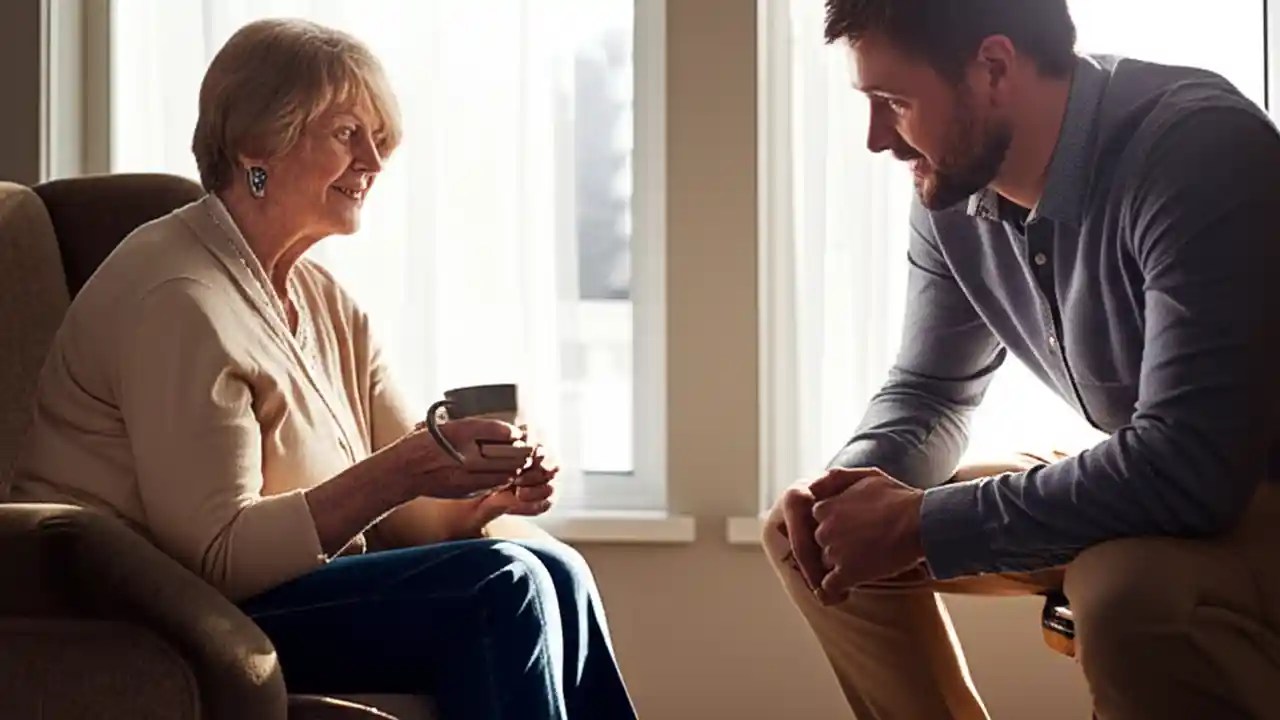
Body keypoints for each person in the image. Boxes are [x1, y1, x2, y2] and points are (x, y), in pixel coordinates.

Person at [8, 18, 636, 720]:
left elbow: (415, 523)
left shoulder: (323, 302)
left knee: (556, 568)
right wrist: (404, 468)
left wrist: (487, 489)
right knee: (503, 585)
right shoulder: (178, 297)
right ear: (257, 144)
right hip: (170, 610)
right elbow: (217, 556)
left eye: (379, 138)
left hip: (282, 592)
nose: (374, 159)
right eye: (346, 134)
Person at [762, 1, 1280, 718]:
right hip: (1168, 467)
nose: (878, 140)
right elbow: (930, 389)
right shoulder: (952, 182)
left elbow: (1193, 466)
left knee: (1127, 589)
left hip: (1249, 484)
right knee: (812, 536)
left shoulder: (1199, 152)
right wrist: (859, 490)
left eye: (894, 102)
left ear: (995, 67)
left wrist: (914, 524)